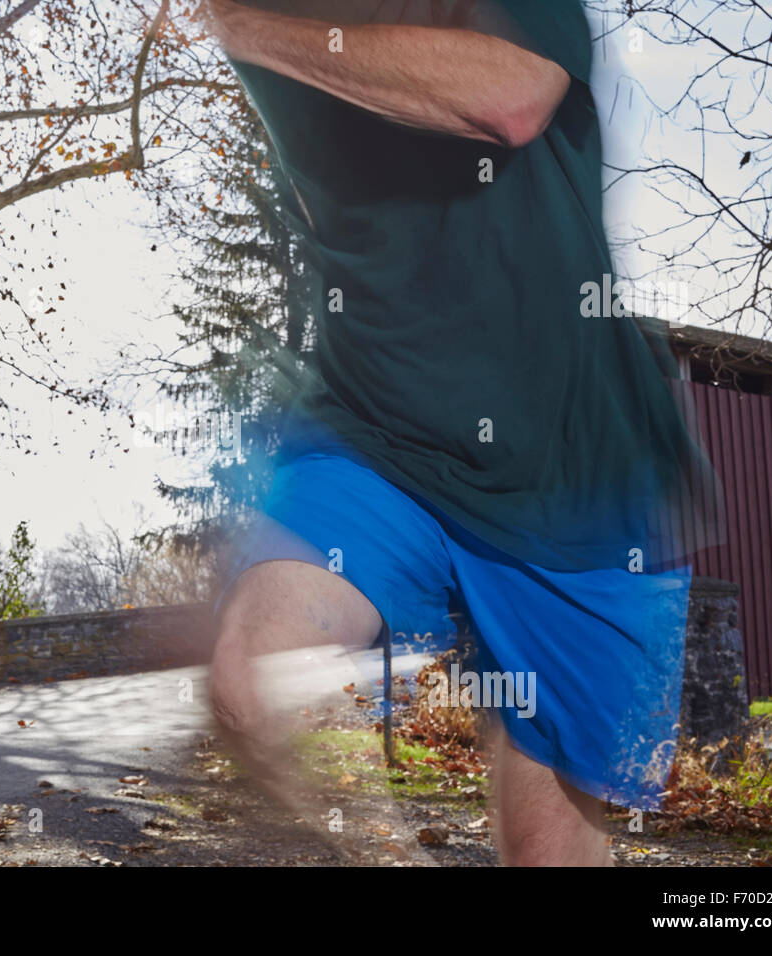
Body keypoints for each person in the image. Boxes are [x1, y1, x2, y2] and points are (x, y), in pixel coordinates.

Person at [198, 0, 724, 866]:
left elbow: (510, 96)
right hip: (377, 432)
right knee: (255, 681)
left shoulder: (263, 26)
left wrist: (240, 28)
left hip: (575, 473)